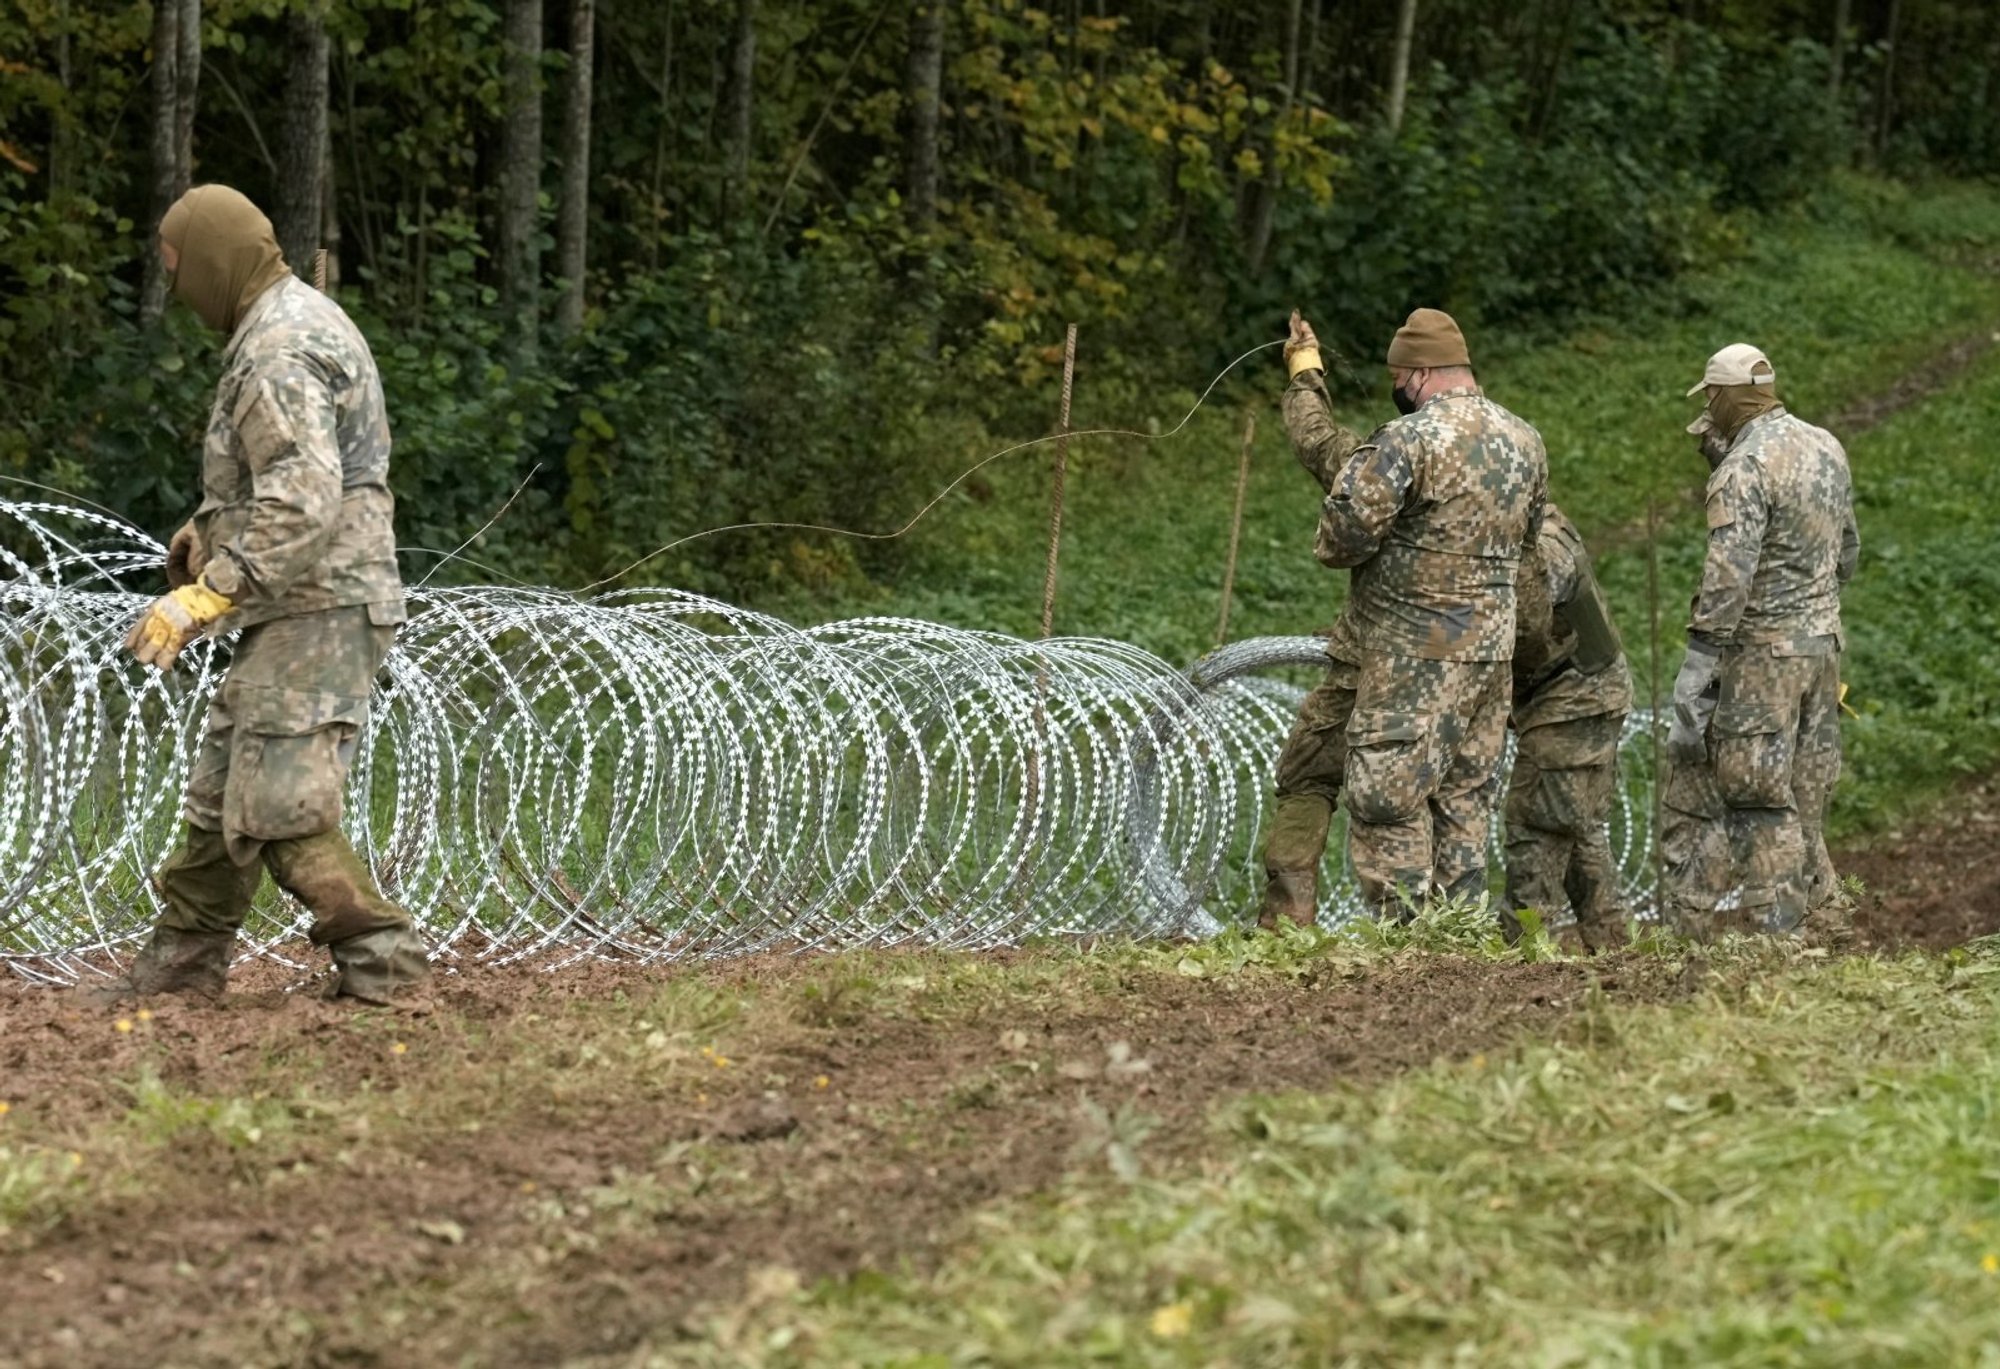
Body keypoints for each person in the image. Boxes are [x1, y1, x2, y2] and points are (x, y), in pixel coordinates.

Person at [108, 183, 431, 1004]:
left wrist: (208, 594)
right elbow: (289, 475)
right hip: (309, 597)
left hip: (321, 602)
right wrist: (211, 525)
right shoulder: (288, 317)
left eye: (180, 269)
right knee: (228, 788)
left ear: (218, 259)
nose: (178, 290)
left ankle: (385, 970)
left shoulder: (276, 349)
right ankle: (178, 974)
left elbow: (303, 497)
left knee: (277, 799)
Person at [1261, 308, 1547, 924]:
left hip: (1408, 654)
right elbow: (1527, 558)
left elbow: (1340, 541)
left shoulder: (1409, 440)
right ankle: (1460, 935)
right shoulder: (1525, 441)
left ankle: (1408, 942)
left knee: (1387, 796)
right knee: (1462, 798)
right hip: (1486, 657)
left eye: (1398, 378)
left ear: (1417, 375)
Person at [1662, 343, 1858, 936]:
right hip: (1821, 649)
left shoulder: (1743, 467)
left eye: (1710, 398)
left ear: (1723, 396)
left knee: (1757, 799)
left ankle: (1783, 945)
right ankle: (1829, 927)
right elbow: (1847, 552)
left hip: (1763, 658)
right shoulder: (1825, 445)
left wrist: (1699, 666)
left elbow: (1729, 577)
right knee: (1801, 799)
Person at [1501, 504, 1632, 950]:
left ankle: (1523, 949)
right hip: (1580, 696)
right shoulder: (1533, 531)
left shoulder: (1543, 548)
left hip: (1573, 701)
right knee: (1576, 827)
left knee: (1536, 823)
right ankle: (1614, 942)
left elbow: (1524, 626)